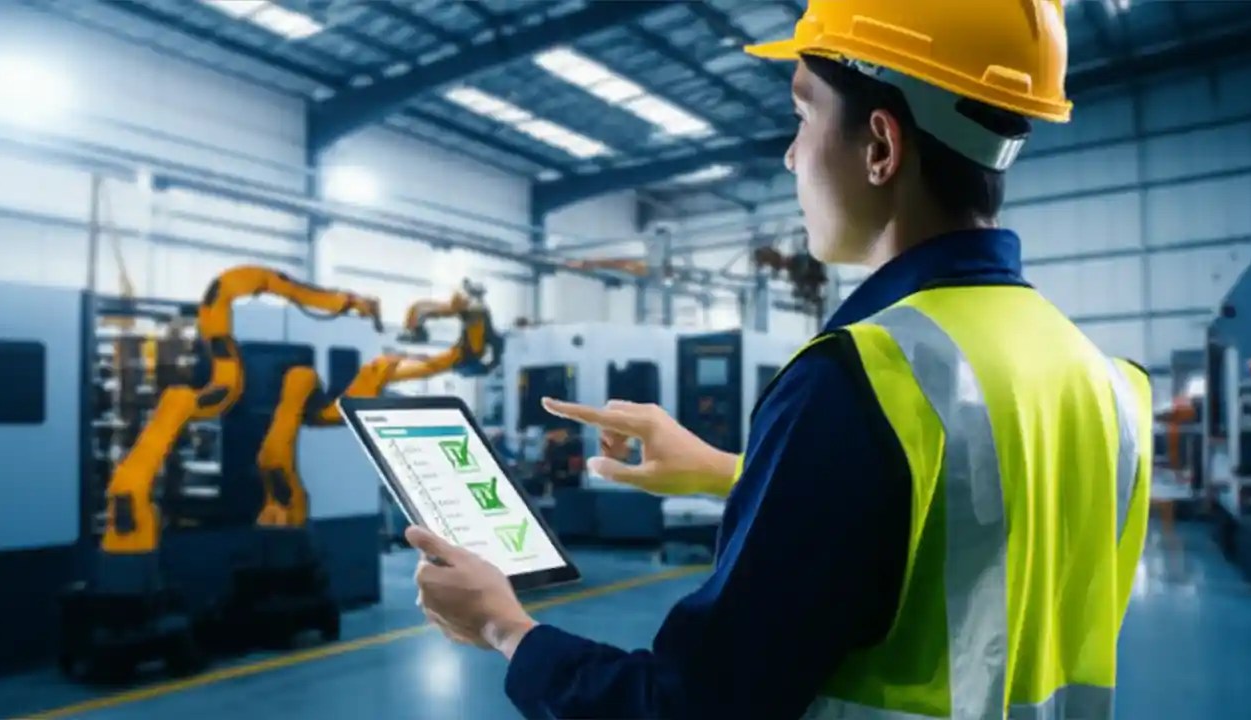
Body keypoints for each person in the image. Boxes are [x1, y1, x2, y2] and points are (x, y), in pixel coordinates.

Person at [405, 1, 1153, 718]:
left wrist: (506, 628)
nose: (792, 155)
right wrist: (734, 469)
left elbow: (692, 706)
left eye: (802, 116)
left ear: (881, 146)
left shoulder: (862, 379)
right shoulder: (1107, 383)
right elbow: (955, 535)